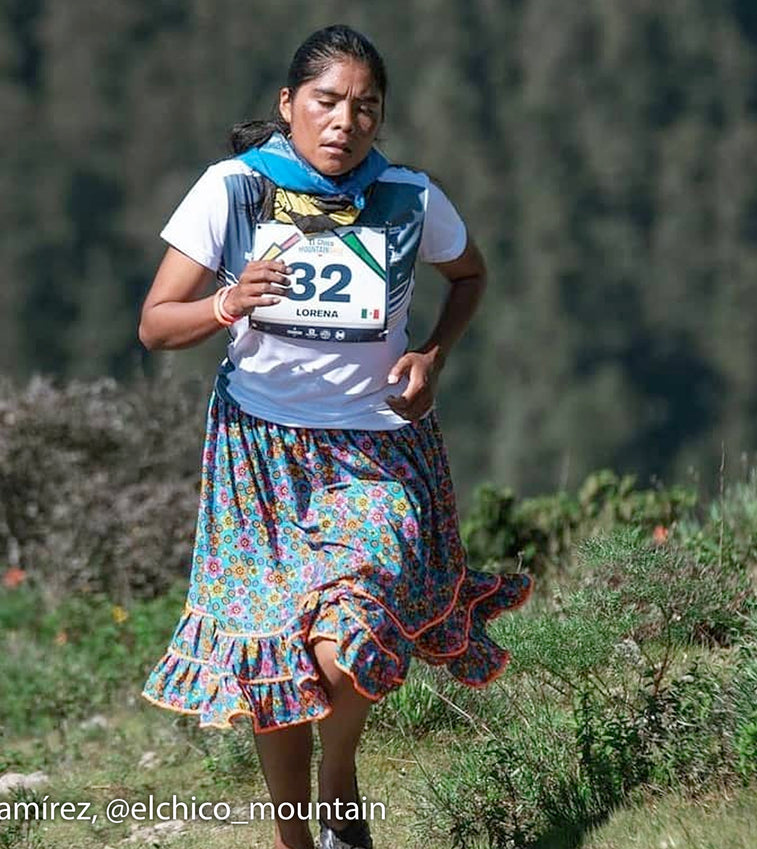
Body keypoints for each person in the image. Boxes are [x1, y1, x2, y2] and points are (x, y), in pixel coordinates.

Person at [138, 24, 533, 849]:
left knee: (347, 637)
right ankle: (297, 836)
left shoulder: (409, 197)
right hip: (259, 458)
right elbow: (155, 324)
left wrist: (433, 353)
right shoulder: (233, 191)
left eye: (365, 107)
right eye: (327, 101)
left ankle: (340, 774)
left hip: (376, 452)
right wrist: (226, 303)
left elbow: (470, 274)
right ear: (289, 106)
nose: (344, 121)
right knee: (274, 652)